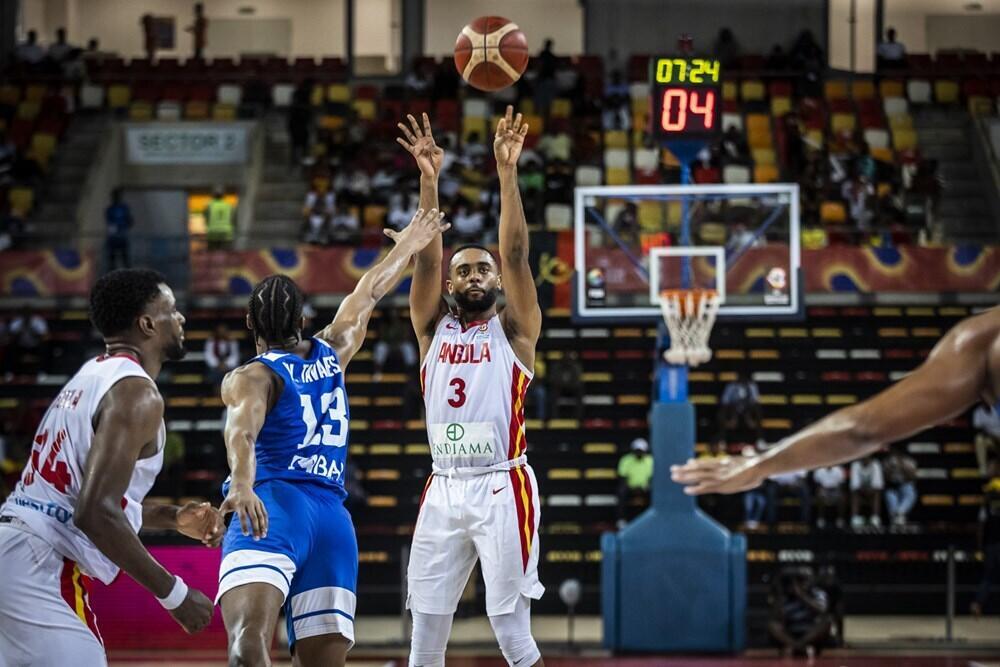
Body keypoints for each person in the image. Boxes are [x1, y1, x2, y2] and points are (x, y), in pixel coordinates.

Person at [216, 208, 449, 667]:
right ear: (303, 321)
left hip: (274, 508)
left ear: (249, 323)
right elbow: (371, 290)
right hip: (333, 522)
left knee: (247, 647)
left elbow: (241, 433)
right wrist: (407, 244)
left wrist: (241, 485)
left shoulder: (251, 377)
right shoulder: (335, 348)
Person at [0, 269, 223, 666]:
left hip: (16, 548)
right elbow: (94, 512)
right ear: (148, 324)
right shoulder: (136, 393)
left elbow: (82, 496)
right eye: (172, 309)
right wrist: (174, 594)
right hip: (40, 561)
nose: (181, 318)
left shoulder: (91, 375)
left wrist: (171, 517)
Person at [397, 109, 545, 667]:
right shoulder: (431, 329)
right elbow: (426, 256)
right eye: (463, 270)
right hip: (443, 485)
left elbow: (517, 254)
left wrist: (507, 172)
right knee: (424, 635)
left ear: (497, 280)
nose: (474, 275)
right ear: (451, 284)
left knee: (511, 631)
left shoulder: (515, 331)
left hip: (502, 485)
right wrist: (429, 178)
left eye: (483, 269)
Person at [671, 308, 1000, 522]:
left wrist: (761, 464)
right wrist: (761, 463)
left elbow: (864, 430)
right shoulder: (983, 341)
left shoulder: (983, 340)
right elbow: (863, 429)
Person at [768, 566, 831, 659]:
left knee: (827, 621)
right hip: (790, 632)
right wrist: (780, 595)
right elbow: (777, 617)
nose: (803, 583)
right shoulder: (784, 596)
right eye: (799, 580)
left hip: (811, 631)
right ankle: (798, 646)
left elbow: (822, 610)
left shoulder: (817, 593)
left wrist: (801, 596)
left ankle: (798, 645)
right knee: (773, 625)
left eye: (805, 580)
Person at [972, 459, 1000, 616]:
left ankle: (977, 604)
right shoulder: (987, 499)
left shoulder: (987, 499)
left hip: (991, 543)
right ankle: (977, 604)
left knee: (988, 577)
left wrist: (979, 546)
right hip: (992, 542)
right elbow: (981, 524)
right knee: (988, 577)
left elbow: (981, 524)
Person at [715, 372, 763, 448]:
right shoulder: (731, 386)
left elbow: (755, 401)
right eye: (741, 376)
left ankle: (760, 439)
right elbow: (725, 401)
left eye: (744, 377)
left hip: (747, 411)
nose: (742, 379)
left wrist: (748, 416)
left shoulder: (752, 386)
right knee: (722, 412)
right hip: (733, 410)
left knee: (758, 409)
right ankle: (722, 440)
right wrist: (733, 416)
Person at [372, 308, 417, 382]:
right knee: (380, 347)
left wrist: (397, 344)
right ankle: (377, 372)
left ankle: (411, 372)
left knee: (408, 347)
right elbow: (382, 337)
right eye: (391, 312)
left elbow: (406, 337)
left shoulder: (404, 324)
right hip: (388, 345)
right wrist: (391, 344)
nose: (393, 314)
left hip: (400, 345)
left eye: (395, 312)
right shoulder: (384, 324)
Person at [617, 438, 653, 526]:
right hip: (630, 487)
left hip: (645, 487)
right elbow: (623, 477)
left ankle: (651, 518)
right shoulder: (626, 460)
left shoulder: (650, 461)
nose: (639, 453)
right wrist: (630, 487)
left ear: (645, 451)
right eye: (637, 451)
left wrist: (646, 486)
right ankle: (621, 519)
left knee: (655, 492)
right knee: (622, 491)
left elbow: (652, 478)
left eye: (641, 451)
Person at [882, 449, 917, 526]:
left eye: (896, 453)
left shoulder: (909, 461)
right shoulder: (887, 461)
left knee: (909, 490)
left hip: (905, 484)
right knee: (890, 495)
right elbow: (885, 478)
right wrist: (891, 469)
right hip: (892, 485)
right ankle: (895, 516)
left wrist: (902, 467)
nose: (894, 456)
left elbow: (912, 477)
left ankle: (900, 512)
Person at [204, 324, 240, 388]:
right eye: (220, 331)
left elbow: (235, 356)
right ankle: (216, 391)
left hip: (229, 367)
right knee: (214, 376)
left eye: (224, 331)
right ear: (217, 332)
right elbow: (208, 356)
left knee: (234, 376)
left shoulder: (232, 341)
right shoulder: (211, 341)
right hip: (215, 367)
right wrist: (218, 364)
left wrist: (225, 364)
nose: (222, 333)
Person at [105, 188, 133, 270]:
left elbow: (129, 220)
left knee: (125, 259)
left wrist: (126, 225)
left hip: (122, 236)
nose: (116, 198)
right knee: (112, 260)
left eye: (118, 196)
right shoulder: (110, 209)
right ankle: (112, 274)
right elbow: (109, 221)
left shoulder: (124, 208)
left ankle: (128, 275)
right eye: (115, 196)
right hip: (113, 238)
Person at [813, 465, 847, 530]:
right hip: (824, 489)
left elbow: (842, 485)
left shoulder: (839, 469)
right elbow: (817, 485)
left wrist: (837, 491)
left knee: (842, 497)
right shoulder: (819, 470)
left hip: (835, 489)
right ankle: (821, 518)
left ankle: (840, 519)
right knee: (820, 496)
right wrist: (821, 491)